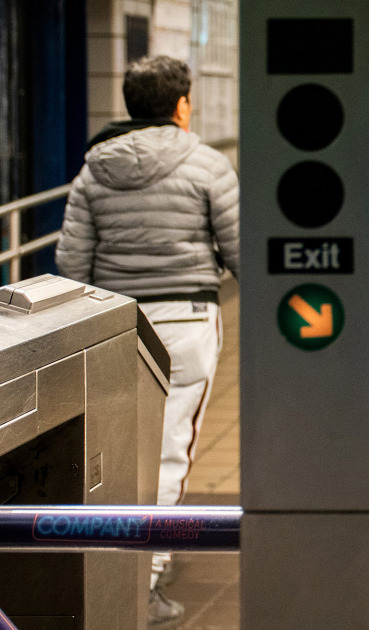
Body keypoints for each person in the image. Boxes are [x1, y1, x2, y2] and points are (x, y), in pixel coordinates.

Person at [55, 55, 239, 629]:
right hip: (186, 325)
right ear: (181, 105)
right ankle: (144, 585)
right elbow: (245, 254)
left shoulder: (92, 171)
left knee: (113, 450)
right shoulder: (208, 164)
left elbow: (70, 264)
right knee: (170, 449)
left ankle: (108, 566)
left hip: (117, 326)